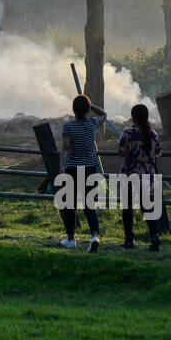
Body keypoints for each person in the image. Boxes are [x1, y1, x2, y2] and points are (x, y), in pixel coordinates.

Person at [58, 93, 103, 252]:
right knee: (89, 204)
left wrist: (61, 166)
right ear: (87, 109)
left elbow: (65, 148)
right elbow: (104, 114)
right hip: (90, 168)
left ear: (73, 110)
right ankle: (94, 236)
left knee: (69, 205)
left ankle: (71, 239)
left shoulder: (68, 127)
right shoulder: (92, 123)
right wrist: (91, 106)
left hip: (73, 169)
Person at [119, 103, 163, 251]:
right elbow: (158, 152)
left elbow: (121, 150)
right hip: (147, 176)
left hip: (130, 174)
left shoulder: (128, 133)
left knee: (127, 208)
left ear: (133, 118)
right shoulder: (154, 134)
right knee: (146, 208)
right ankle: (155, 235)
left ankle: (129, 239)